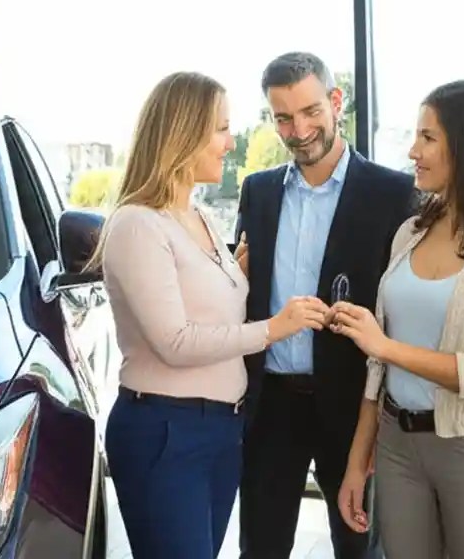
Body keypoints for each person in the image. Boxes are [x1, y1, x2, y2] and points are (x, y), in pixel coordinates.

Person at [92, 71, 329, 559]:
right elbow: (175, 341)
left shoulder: (201, 218)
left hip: (221, 429)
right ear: (184, 133)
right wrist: (274, 329)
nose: (230, 141)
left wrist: (234, 276)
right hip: (167, 432)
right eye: (221, 128)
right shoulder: (137, 225)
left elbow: (203, 300)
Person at [330, 79, 464, 559]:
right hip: (396, 446)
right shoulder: (410, 231)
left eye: (428, 137)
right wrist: (356, 461)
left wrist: (383, 346)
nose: (413, 151)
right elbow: (377, 369)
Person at [234, 51, 417, 559]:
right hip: (271, 404)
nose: (299, 129)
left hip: (353, 405)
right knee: (261, 546)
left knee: (359, 546)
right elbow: (242, 295)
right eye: (284, 117)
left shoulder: (394, 193)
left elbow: (402, 310)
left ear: (336, 103)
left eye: (311, 111)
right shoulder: (259, 192)